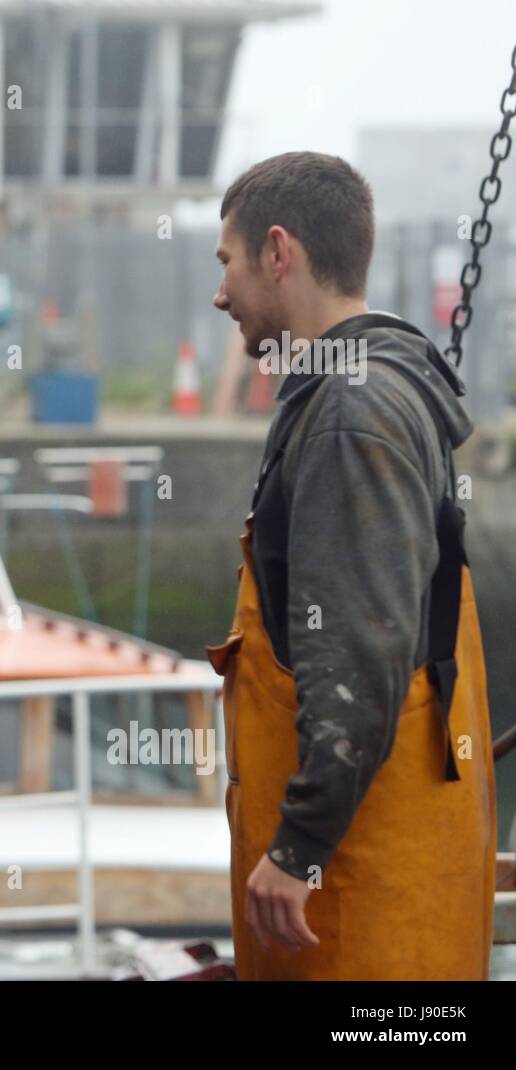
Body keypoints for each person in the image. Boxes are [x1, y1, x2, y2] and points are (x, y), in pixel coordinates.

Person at [207, 151, 496, 980]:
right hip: (393, 869)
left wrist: (299, 849)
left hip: (358, 899)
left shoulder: (349, 413)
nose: (221, 294)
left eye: (226, 263)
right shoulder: (381, 389)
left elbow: (361, 653)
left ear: (277, 250)